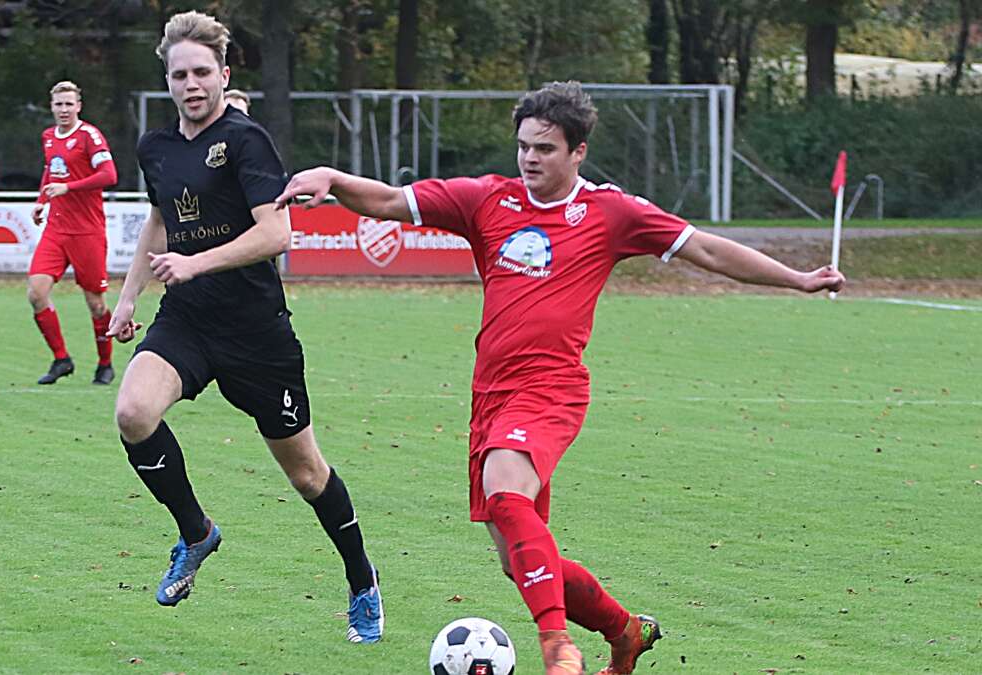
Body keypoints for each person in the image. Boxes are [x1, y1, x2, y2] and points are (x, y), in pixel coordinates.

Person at [276, 81, 845, 674]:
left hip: (551, 390)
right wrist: (335, 180)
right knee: (515, 557)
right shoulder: (486, 200)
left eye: (545, 148)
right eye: (523, 145)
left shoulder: (610, 213)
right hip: (490, 395)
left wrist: (798, 278)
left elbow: (706, 250)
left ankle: (557, 647)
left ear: (578, 152)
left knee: (505, 489)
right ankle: (624, 632)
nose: (529, 158)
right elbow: (392, 202)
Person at [105, 10, 383, 644]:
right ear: (168, 80)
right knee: (133, 413)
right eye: (180, 74)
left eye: (203, 71)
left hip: (257, 335)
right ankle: (196, 533)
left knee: (307, 474)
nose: (191, 83)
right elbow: (157, 221)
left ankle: (361, 579)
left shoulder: (247, 139)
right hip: (188, 323)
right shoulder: (156, 147)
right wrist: (127, 300)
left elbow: (277, 232)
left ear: (223, 74)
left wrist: (194, 262)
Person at [29, 80, 119, 385]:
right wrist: (42, 201)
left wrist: (68, 187)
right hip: (56, 229)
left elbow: (109, 175)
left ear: (78, 106)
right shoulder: (48, 136)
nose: (64, 109)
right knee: (36, 293)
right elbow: (50, 170)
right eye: (59, 104)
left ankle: (105, 363)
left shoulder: (89, 136)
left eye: (69, 104)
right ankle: (61, 359)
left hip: (87, 231)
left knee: (95, 304)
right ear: (51, 106)